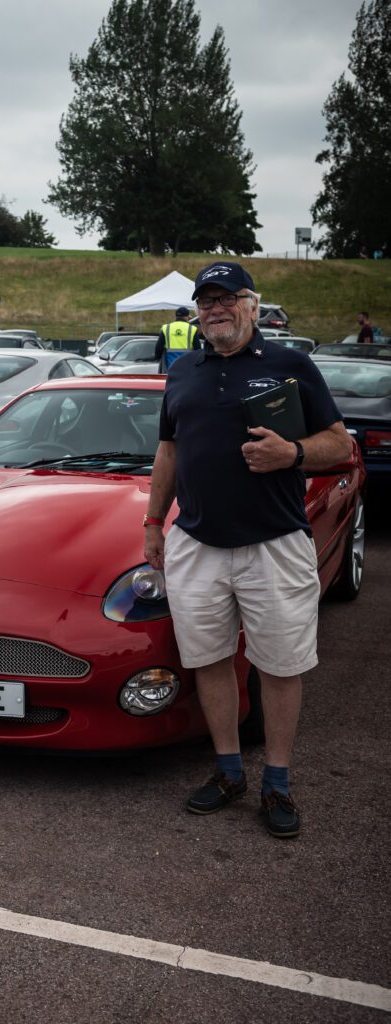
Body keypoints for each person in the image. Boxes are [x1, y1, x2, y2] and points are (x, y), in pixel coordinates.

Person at [143, 261, 352, 839]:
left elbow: (339, 443)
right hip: (197, 544)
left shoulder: (290, 364)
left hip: (274, 543)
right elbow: (168, 452)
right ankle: (230, 770)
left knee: (280, 666)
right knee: (209, 659)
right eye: (206, 301)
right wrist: (154, 522)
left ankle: (278, 782)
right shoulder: (183, 370)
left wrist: (293, 454)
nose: (216, 310)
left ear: (252, 306)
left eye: (228, 298)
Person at [154, 307, 199, 372]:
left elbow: (159, 347)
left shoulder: (166, 328)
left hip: (170, 367)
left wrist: (157, 357)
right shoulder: (192, 329)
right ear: (187, 316)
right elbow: (198, 349)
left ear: (176, 316)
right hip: (187, 368)